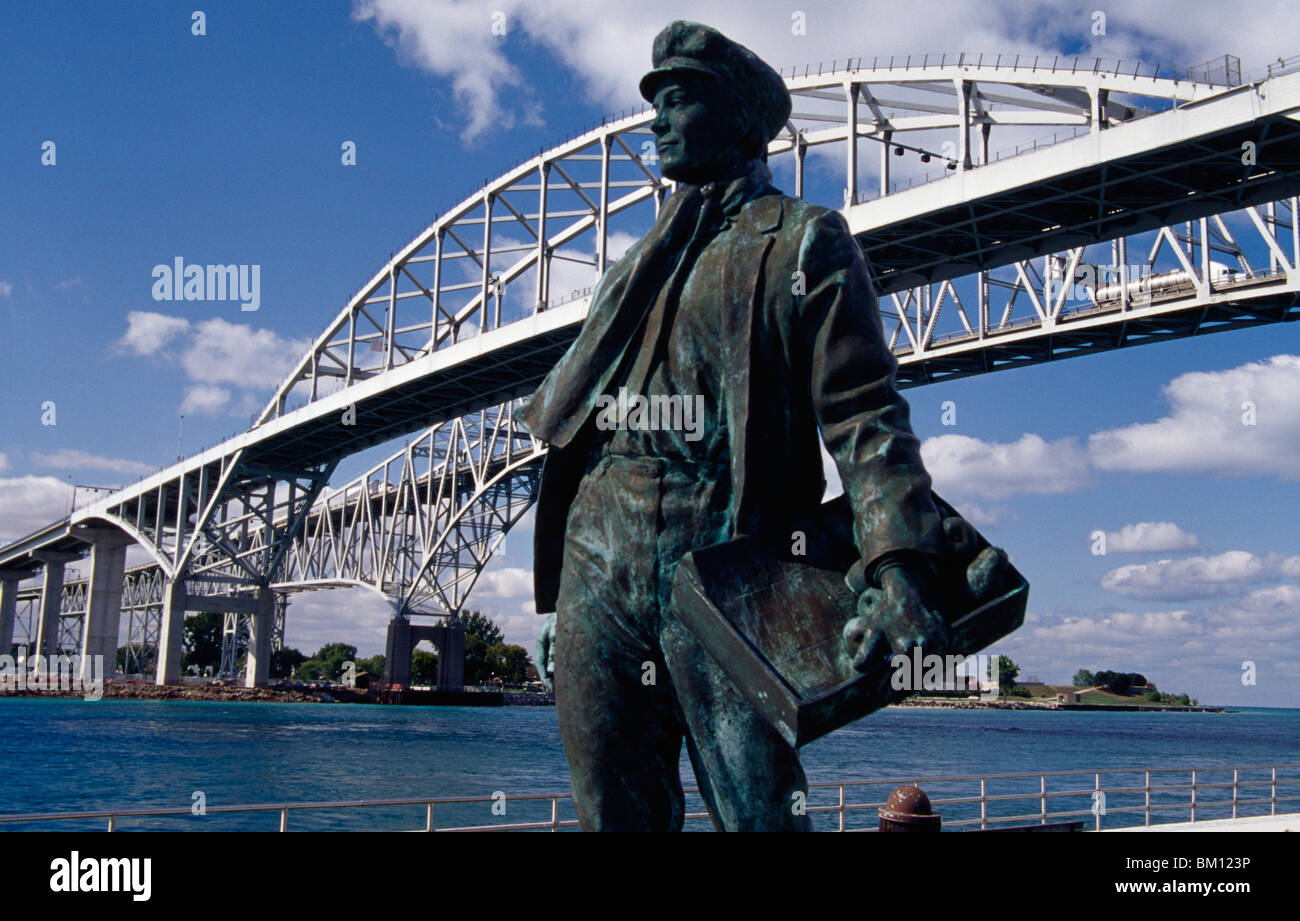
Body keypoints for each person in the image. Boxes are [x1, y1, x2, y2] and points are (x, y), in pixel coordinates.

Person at [518, 20, 948, 831]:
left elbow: (865, 414)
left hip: (725, 560)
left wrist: (901, 570)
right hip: (598, 555)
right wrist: (570, 607)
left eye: (677, 101)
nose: (654, 121)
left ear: (740, 120)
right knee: (611, 809)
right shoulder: (634, 265)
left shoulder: (801, 240)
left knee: (758, 812)